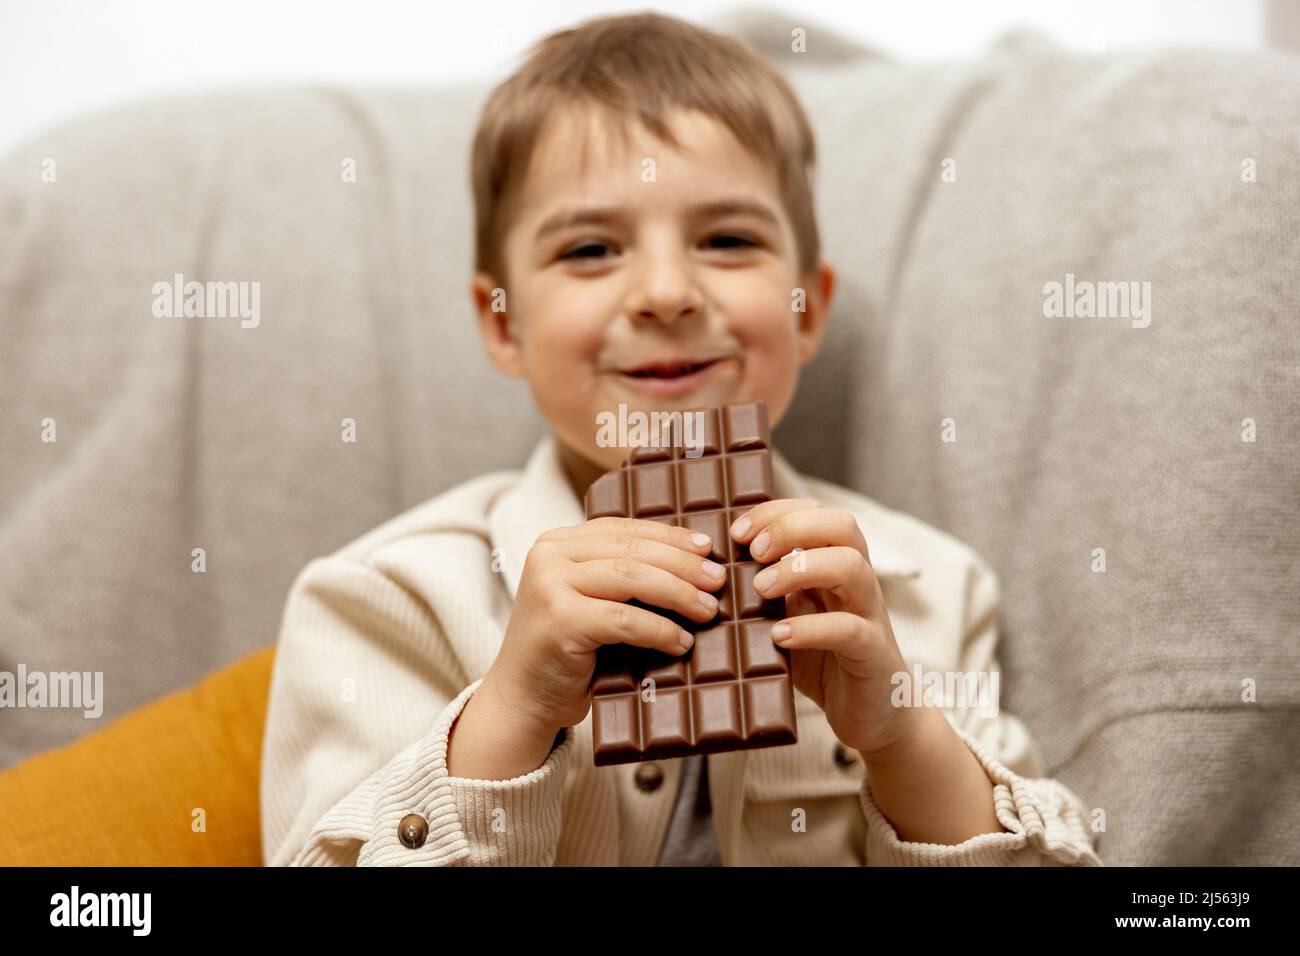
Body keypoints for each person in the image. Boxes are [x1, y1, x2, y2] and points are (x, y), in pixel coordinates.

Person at [259, 12, 1102, 867]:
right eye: (590, 249)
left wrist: (903, 738)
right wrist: (510, 714)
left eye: (728, 240)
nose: (666, 292)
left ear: (807, 305)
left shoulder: (929, 592)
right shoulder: (383, 600)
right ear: (503, 323)